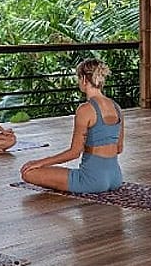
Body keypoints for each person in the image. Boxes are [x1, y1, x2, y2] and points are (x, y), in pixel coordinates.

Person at [20, 59, 123, 193]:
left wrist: (41, 162)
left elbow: (74, 153)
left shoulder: (85, 109)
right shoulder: (116, 107)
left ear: (84, 79)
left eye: (78, 78)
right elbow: (119, 148)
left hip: (92, 181)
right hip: (116, 177)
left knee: (28, 173)